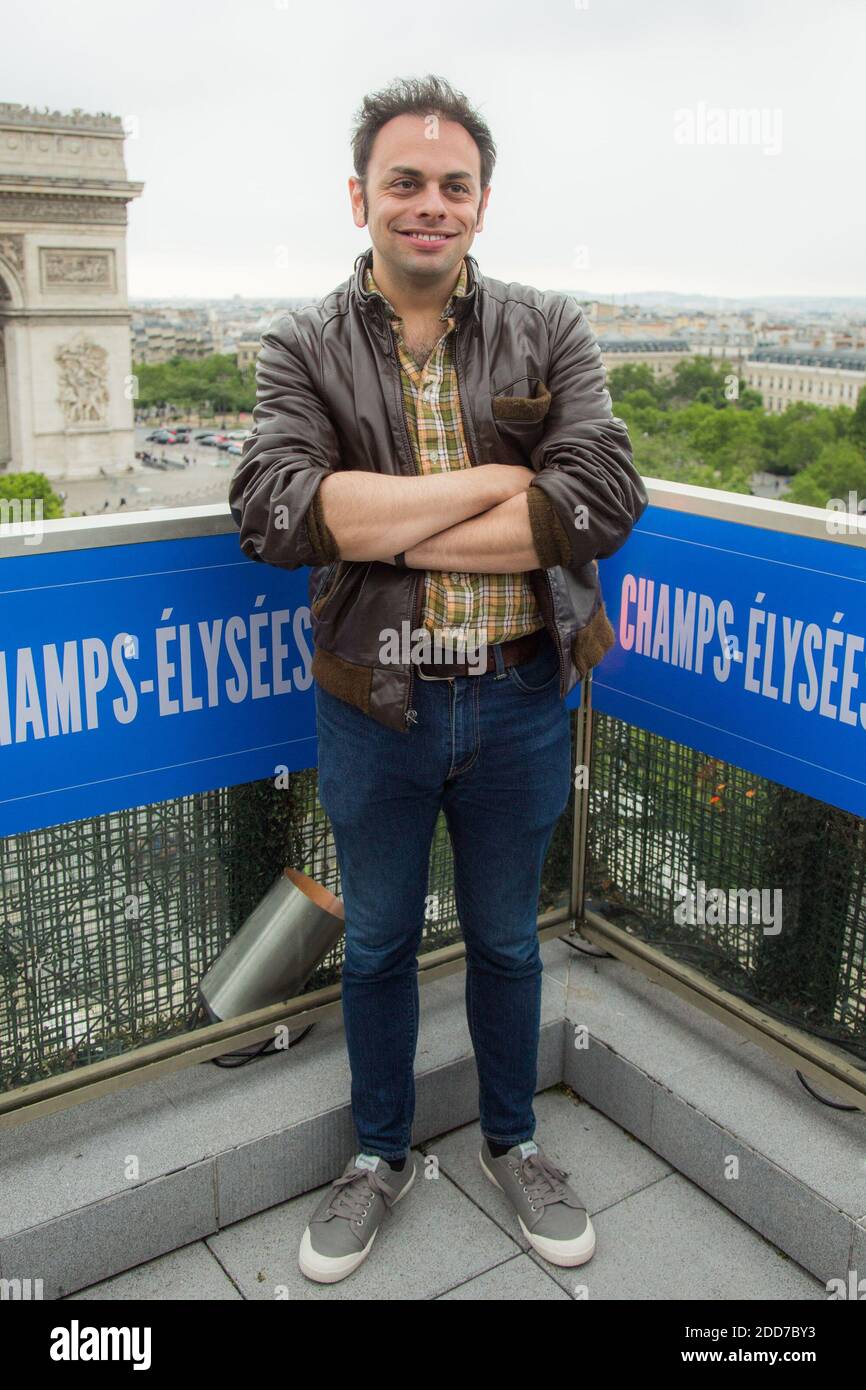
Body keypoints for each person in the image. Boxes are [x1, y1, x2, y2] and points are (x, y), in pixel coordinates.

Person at [229, 74, 647, 1286]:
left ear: (480, 202)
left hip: (520, 693)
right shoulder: (300, 342)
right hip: (373, 702)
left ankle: (512, 1143)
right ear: (360, 196)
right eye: (403, 182)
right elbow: (275, 510)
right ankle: (379, 1154)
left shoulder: (547, 326)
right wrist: (503, 487)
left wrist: (381, 523)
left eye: (451, 185)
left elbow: (601, 500)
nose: (428, 204)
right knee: (373, 946)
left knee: (510, 941)